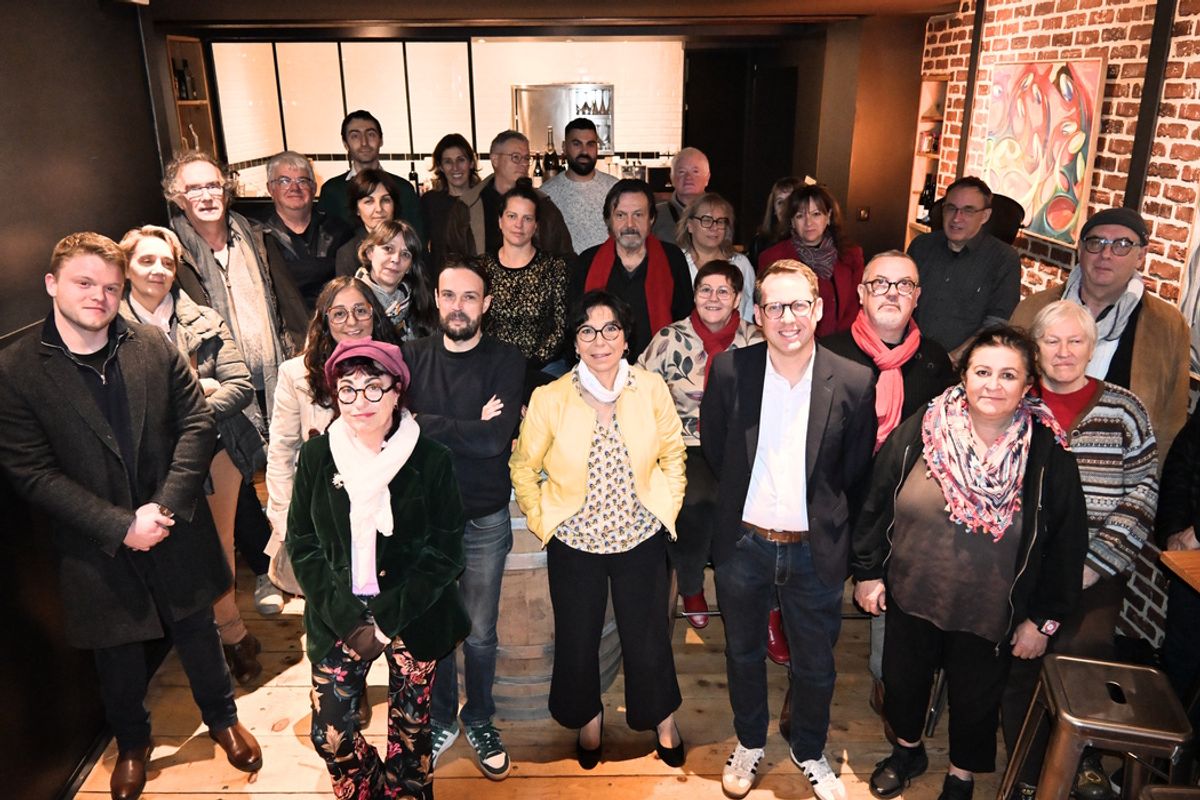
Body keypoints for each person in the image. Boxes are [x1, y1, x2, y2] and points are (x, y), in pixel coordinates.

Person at [0, 232, 262, 800]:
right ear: (52, 284)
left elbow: (197, 425)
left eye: (110, 287)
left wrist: (163, 509)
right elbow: (31, 471)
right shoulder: (16, 369)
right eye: (85, 282)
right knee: (115, 651)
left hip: (173, 521)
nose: (99, 296)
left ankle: (223, 720)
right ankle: (132, 744)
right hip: (94, 540)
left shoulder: (152, 345)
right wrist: (121, 527)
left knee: (198, 628)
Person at [852, 326, 1087, 800]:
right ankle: (906, 751)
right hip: (912, 593)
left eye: (1008, 375)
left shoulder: (1047, 453)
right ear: (964, 377)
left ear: (1028, 385)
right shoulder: (924, 426)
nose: (992, 385)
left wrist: (1043, 621)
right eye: (982, 372)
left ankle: (961, 774)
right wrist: (868, 572)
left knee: (976, 698)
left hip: (991, 608)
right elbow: (877, 499)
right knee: (903, 683)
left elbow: (1067, 544)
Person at [700, 259, 876, 800]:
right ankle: (750, 740)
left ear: (818, 309)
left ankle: (809, 749)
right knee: (742, 652)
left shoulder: (854, 380)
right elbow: (717, 449)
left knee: (816, 665)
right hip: (744, 543)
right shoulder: (731, 371)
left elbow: (854, 471)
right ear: (758, 314)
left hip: (814, 549)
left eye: (799, 304)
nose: (787, 317)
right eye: (774, 306)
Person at [509, 290, 687, 771]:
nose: (599, 340)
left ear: (626, 338)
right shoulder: (550, 398)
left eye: (610, 329)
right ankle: (588, 718)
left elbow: (673, 453)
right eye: (587, 331)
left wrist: (666, 507)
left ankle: (662, 719)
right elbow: (523, 467)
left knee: (647, 637)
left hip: (640, 537)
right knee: (577, 637)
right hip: (575, 542)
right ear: (575, 342)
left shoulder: (650, 388)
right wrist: (543, 519)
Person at [288, 338, 469, 799]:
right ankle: (369, 784)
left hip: (412, 610)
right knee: (329, 733)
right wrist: (349, 619)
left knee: (411, 734)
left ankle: (404, 790)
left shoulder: (432, 459)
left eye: (373, 387)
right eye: (347, 389)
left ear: (397, 390)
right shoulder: (317, 456)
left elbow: (446, 551)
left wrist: (387, 619)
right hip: (338, 610)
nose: (359, 401)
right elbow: (303, 545)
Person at [1000, 301, 1159, 797]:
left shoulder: (1125, 410)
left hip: (1094, 572)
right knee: (1020, 668)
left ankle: (1078, 763)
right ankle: (1029, 777)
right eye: (1052, 341)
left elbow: (1143, 494)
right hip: (1021, 569)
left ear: (1092, 349)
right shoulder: (1015, 403)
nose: (1064, 352)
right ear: (1036, 348)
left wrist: (1089, 568)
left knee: (1080, 664)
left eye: (1076, 342)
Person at [117, 224, 268, 685]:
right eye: (146, 260)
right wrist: (198, 389)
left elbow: (239, 385)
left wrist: (185, 410)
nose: (158, 270)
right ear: (126, 267)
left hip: (215, 449)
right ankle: (204, 640)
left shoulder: (203, 318)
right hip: (149, 460)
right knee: (171, 552)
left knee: (218, 547)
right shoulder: (110, 327)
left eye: (167, 261)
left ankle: (233, 636)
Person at [165, 148, 303, 615]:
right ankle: (263, 569)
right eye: (193, 188)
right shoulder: (173, 252)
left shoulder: (254, 235)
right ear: (177, 196)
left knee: (281, 466)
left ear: (226, 188)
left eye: (212, 185)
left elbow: (284, 301)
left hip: (272, 372)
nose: (206, 196)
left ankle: (288, 561)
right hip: (219, 383)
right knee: (236, 477)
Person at [402, 260, 525, 780]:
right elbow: (400, 430)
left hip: (483, 516)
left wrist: (428, 424)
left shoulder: (507, 360)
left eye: (469, 297)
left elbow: (494, 441)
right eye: (449, 295)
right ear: (436, 299)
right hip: (427, 520)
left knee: (479, 631)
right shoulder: (411, 356)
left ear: (486, 304)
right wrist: (468, 424)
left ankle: (479, 718)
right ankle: (441, 718)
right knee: (437, 627)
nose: (458, 306)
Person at [822, 249, 955, 720]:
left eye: (904, 285)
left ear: (918, 296)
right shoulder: (828, 353)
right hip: (837, 499)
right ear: (861, 293)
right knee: (819, 598)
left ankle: (885, 678)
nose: (892, 293)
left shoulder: (935, 361)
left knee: (895, 590)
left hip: (901, 507)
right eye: (880, 283)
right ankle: (809, 678)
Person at [1010, 206, 1191, 461]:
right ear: (1081, 250)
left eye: (1122, 245)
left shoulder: (1167, 326)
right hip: (1031, 457)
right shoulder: (1034, 309)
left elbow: (1171, 421)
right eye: (1096, 243)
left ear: (1141, 255)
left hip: (1115, 468)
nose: (1106, 254)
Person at [638, 259, 761, 629]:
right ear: (694, 295)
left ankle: (766, 605)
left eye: (723, 291)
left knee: (757, 508)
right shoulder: (669, 339)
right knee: (694, 501)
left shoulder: (757, 340)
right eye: (705, 290)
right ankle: (691, 584)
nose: (713, 298)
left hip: (744, 443)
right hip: (687, 441)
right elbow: (637, 388)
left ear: (737, 298)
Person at [264, 276, 400, 597]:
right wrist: (286, 524)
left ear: (375, 314)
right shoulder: (295, 374)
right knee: (329, 608)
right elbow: (282, 452)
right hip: (320, 513)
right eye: (339, 313)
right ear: (324, 321)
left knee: (383, 603)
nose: (351, 322)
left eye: (361, 310)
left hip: (383, 510)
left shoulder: (396, 366)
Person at [570, 179, 693, 358]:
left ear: (651, 219)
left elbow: (685, 322)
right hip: (601, 365)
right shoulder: (586, 262)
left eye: (638, 215)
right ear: (609, 221)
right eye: (620, 215)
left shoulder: (672, 258)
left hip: (660, 365)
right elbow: (574, 325)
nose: (630, 225)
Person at [908, 175, 1021, 355]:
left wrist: (955, 358)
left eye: (968, 211)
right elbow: (902, 299)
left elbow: (996, 324)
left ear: (985, 216)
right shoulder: (921, 246)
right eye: (951, 208)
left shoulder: (1004, 259)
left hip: (964, 363)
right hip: (910, 354)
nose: (956, 218)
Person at [477, 184, 570, 393]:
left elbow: (560, 327)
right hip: (491, 366)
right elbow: (474, 323)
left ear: (536, 225)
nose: (519, 225)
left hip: (544, 367)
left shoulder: (554, 266)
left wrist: (528, 366)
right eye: (512, 216)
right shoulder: (481, 267)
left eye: (527, 218)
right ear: (500, 221)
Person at [757, 183, 864, 338]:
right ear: (792, 222)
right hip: (793, 339)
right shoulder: (772, 258)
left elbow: (856, 305)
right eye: (800, 216)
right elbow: (771, 308)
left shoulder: (851, 255)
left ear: (828, 217)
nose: (809, 222)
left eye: (816, 214)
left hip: (843, 341)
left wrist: (839, 344)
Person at [444, 129, 573, 258]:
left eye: (527, 158)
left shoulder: (543, 205)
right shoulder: (468, 205)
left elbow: (565, 256)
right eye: (515, 157)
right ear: (495, 160)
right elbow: (453, 258)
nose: (524, 164)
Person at [260, 150, 352, 310]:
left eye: (302, 181)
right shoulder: (258, 235)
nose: (294, 188)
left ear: (314, 187)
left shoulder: (338, 230)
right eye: (284, 181)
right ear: (270, 188)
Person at [316, 109, 423, 241]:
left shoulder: (403, 188)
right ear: (345, 144)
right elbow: (324, 243)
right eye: (355, 136)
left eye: (371, 134)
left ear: (381, 140)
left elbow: (418, 241)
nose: (364, 142)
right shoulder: (332, 190)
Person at [1159, 408, 1200, 728]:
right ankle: (1166, 752)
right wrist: (1173, 533)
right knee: (1179, 663)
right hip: (1190, 563)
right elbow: (1181, 465)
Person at [540, 117, 619, 253]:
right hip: (564, 267)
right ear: (564, 147)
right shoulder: (546, 194)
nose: (584, 151)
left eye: (590, 144)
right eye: (577, 144)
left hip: (608, 266)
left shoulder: (615, 189)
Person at [353, 218, 437, 341]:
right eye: (388, 249)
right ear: (370, 252)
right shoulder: (351, 303)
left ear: (410, 266)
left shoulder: (420, 304)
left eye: (405, 254)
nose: (396, 259)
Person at [675, 192, 756, 319]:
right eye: (706, 220)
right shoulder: (676, 262)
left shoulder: (741, 263)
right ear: (690, 225)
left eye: (720, 221)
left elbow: (750, 310)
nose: (714, 227)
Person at [422, 133, 481, 270]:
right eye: (448, 161)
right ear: (440, 167)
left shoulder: (485, 199)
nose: (455, 167)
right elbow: (421, 248)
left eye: (461, 160)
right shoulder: (430, 202)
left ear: (471, 163)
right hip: (441, 278)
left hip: (480, 278)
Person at [333, 167, 405, 277]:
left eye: (385, 200)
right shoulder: (348, 253)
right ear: (357, 209)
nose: (379, 209)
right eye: (369, 201)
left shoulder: (409, 243)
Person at [652, 147, 711, 242]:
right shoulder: (655, 215)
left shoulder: (718, 213)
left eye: (695, 171)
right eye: (682, 172)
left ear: (707, 178)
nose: (688, 177)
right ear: (671, 178)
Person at [748, 176, 804, 267]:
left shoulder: (811, 240)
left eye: (790, 201)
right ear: (774, 209)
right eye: (780, 202)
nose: (785, 207)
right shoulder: (759, 243)